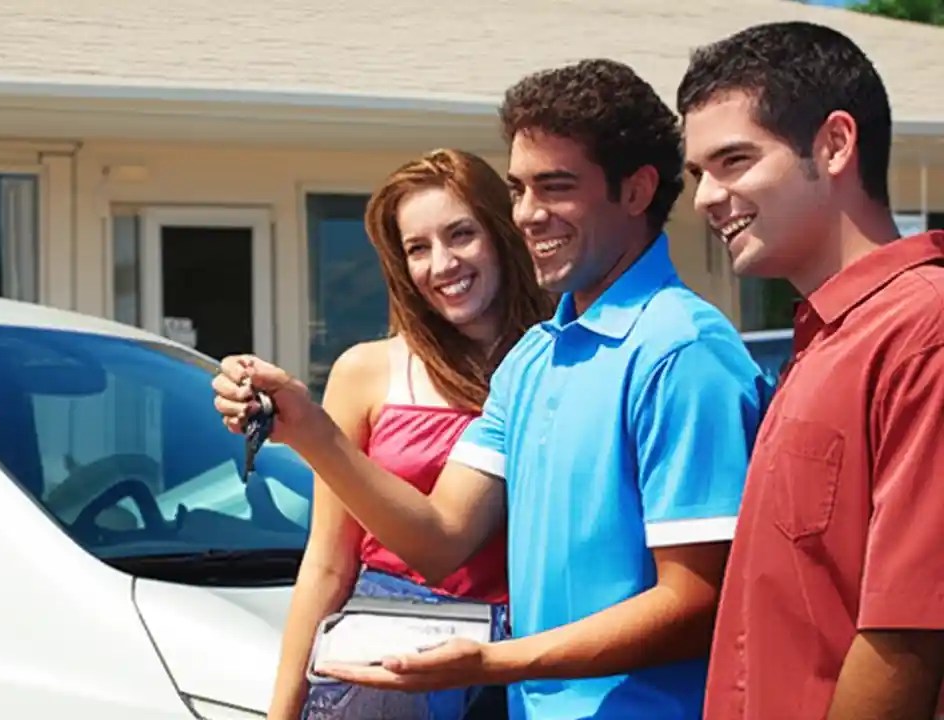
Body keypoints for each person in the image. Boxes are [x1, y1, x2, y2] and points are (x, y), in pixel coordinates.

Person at [214, 59, 768, 720]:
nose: (530, 214)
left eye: (556, 187)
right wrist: (307, 427)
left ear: (637, 190)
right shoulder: (533, 360)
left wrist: (497, 663)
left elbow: (702, 603)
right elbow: (440, 539)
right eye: (519, 189)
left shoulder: (684, 351)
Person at [678, 21, 944, 720]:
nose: (706, 196)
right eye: (696, 172)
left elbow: (909, 636)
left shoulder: (923, 334)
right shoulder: (826, 338)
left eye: (733, 161)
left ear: (833, 145)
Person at [269, 148, 554, 720]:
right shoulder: (365, 372)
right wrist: (281, 711)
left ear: (501, 234)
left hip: (536, 659)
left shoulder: (561, 359)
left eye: (461, 235)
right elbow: (328, 561)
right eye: (417, 248)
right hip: (391, 658)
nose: (441, 263)